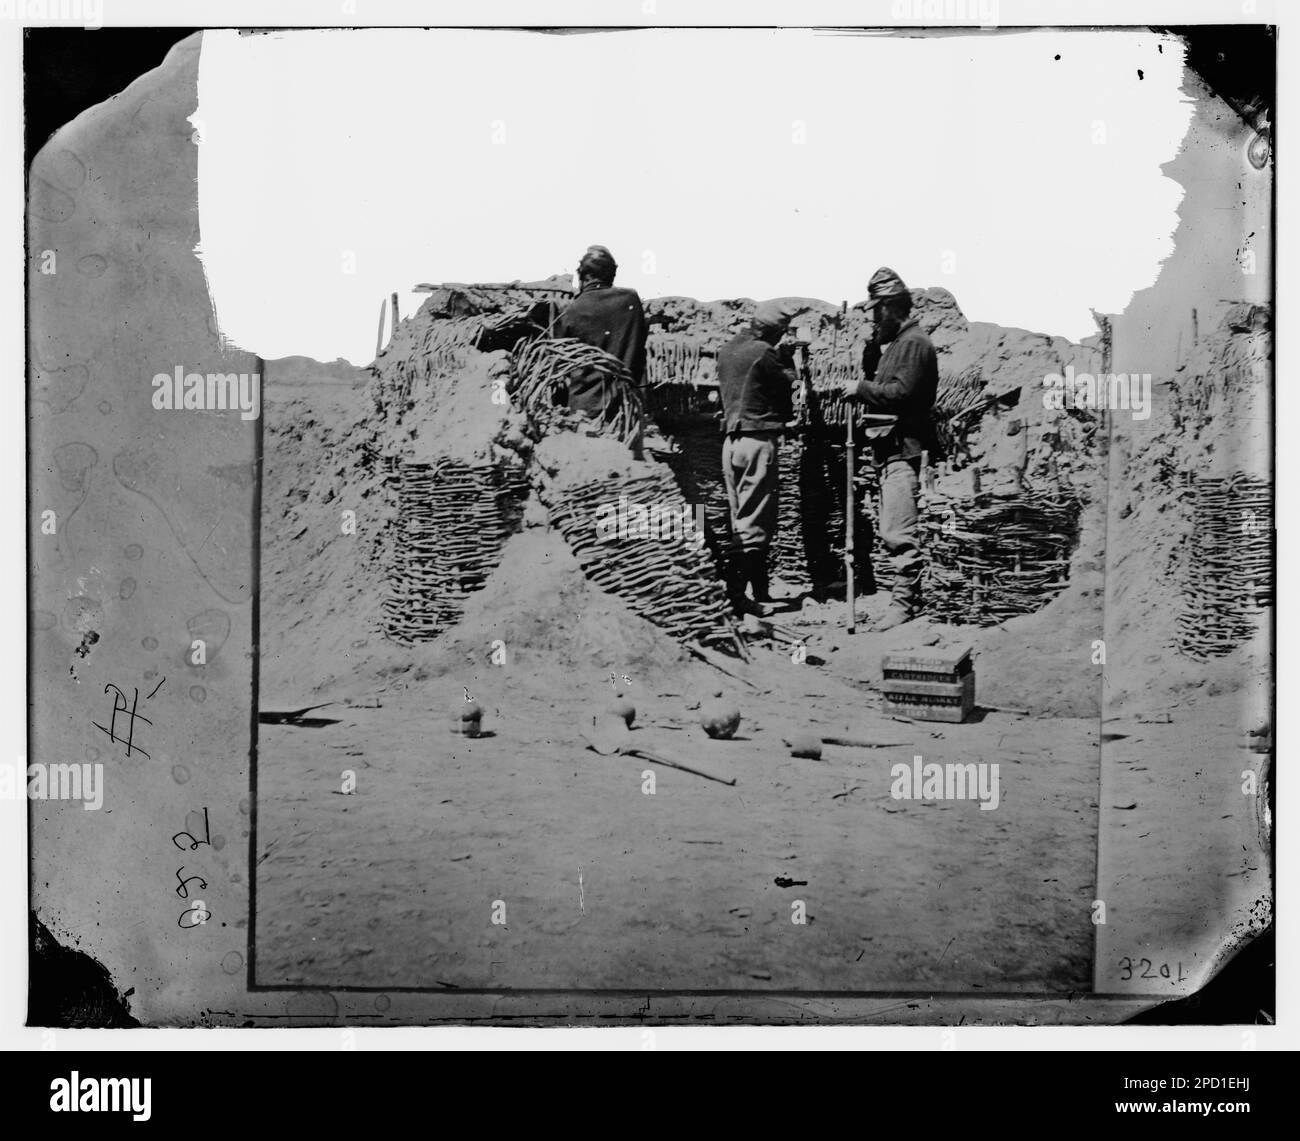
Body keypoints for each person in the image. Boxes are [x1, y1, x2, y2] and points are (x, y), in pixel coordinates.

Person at [851, 267, 939, 630]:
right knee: (893, 529)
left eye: (876, 311)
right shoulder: (898, 345)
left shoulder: (914, 344)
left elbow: (902, 395)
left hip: (906, 450)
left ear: (890, 308)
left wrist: (861, 389)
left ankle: (904, 605)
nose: (874, 318)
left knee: (898, 533)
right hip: (891, 450)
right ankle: (901, 601)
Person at [716, 299, 806, 616]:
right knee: (755, 523)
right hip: (757, 442)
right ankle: (739, 599)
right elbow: (791, 387)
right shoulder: (765, 353)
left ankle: (759, 591)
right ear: (775, 330)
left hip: (731, 442)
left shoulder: (727, 350)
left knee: (741, 519)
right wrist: (789, 356)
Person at [553, 245, 648, 418]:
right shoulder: (630, 300)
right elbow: (640, 346)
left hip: (584, 411)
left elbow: (559, 363)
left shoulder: (571, 311)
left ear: (584, 275)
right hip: (625, 410)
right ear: (611, 274)